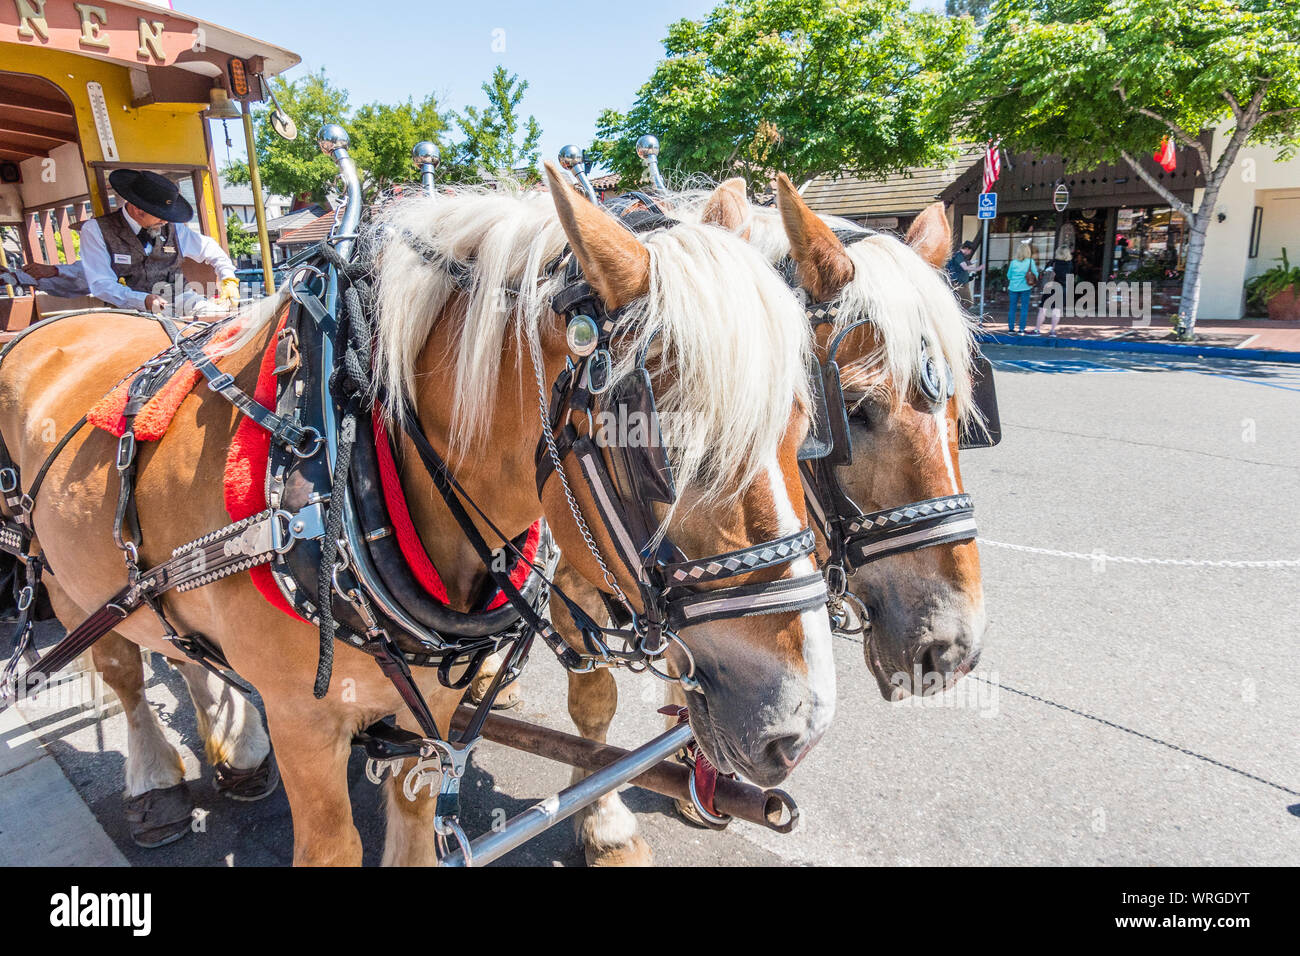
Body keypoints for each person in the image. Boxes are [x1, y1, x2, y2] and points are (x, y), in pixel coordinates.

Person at [80, 169, 239, 315]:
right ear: (138, 209)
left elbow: (210, 248)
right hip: (130, 312)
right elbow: (101, 284)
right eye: (159, 215)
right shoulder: (95, 230)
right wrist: (142, 300)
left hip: (182, 300)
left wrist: (228, 279)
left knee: (221, 319)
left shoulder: (174, 227)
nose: (165, 221)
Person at [1035, 245, 1072, 335]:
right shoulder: (1070, 264)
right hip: (1062, 288)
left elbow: (1045, 274)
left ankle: (1037, 330)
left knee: (1043, 309)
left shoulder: (1052, 262)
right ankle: (1052, 331)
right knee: (1057, 310)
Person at [1005, 240, 1038, 333]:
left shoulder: (1013, 262)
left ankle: (1011, 328)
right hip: (1026, 288)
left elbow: (1009, 275)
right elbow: (1035, 274)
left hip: (1013, 287)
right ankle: (1021, 329)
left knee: (1012, 308)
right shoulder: (1030, 262)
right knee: (1024, 308)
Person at [945, 240, 983, 306]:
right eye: (970, 251)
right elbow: (964, 267)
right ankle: (960, 315)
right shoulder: (959, 256)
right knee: (967, 303)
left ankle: (958, 314)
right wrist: (978, 268)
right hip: (960, 283)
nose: (970, 253)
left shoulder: (960, 256)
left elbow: (961, 265)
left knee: (960, 302)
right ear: (967, 249)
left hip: (960, 282)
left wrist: (971, 263)